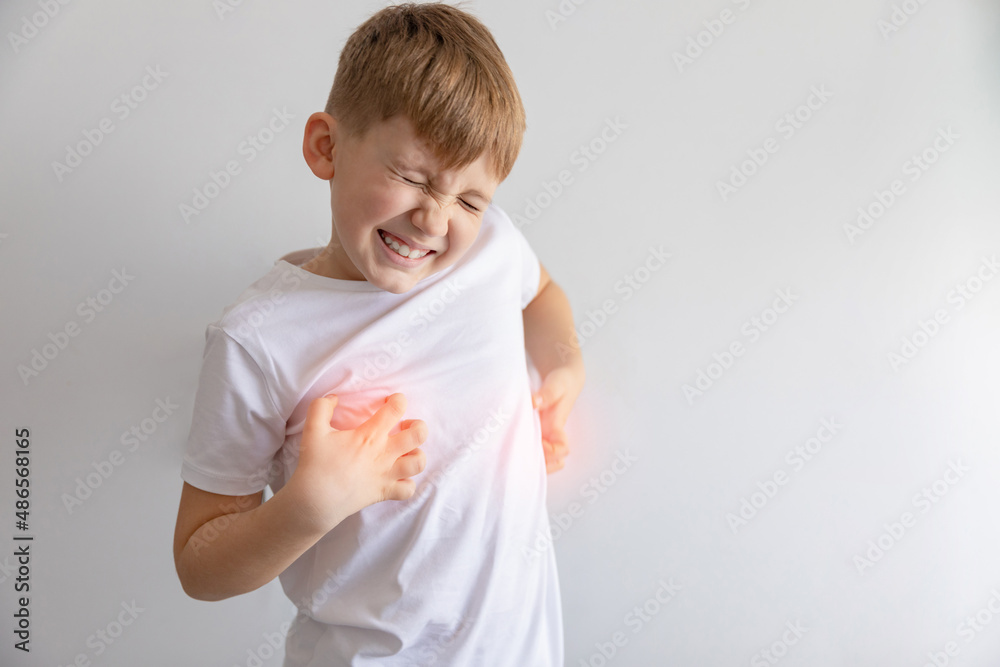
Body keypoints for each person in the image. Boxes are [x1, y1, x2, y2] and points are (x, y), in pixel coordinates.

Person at [172, 3, 586, 665]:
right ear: (326, 147)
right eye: (412, 176)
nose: (433, 217)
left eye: (469, 200)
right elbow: (198, 563)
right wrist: (309, 506)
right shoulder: (258, 341)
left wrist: (564, 366)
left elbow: (543, 296)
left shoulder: (492, 251)